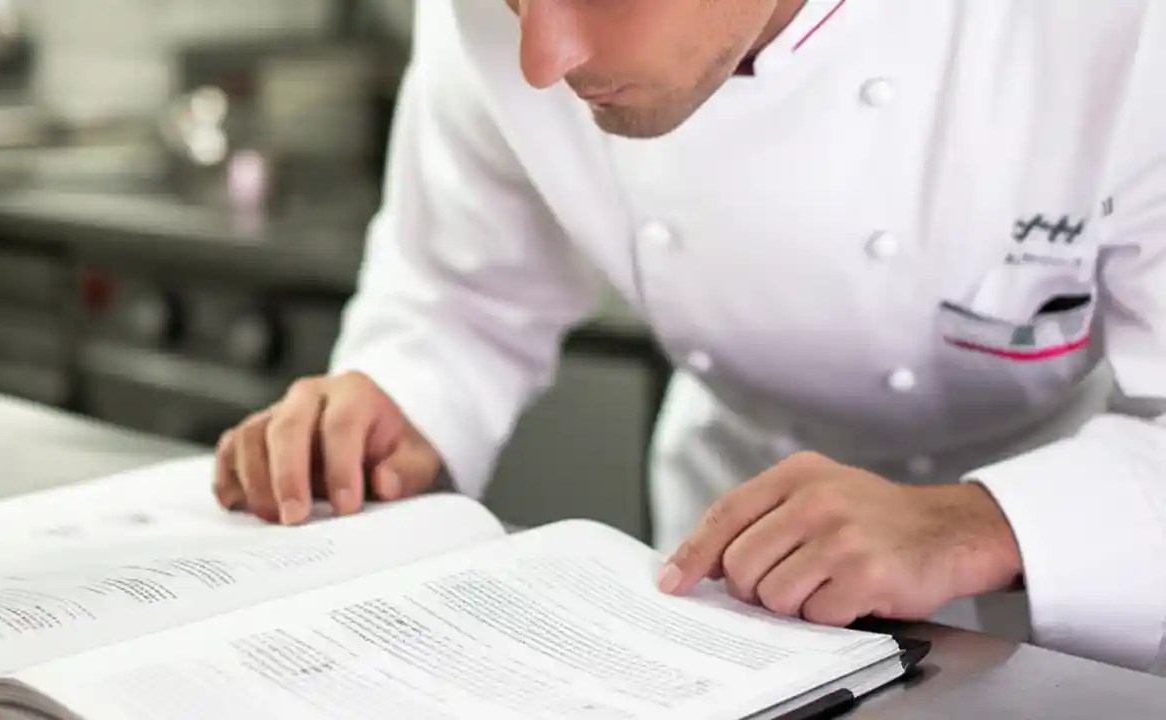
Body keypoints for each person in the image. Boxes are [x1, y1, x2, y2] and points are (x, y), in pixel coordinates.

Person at [213, 0, 1165, 673]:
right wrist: (396, 399)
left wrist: (977, 522)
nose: (543, 58)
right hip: (732, 569)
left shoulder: (1117, 31)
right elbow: (460, 293)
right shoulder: (495, 22)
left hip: (1073, 566)